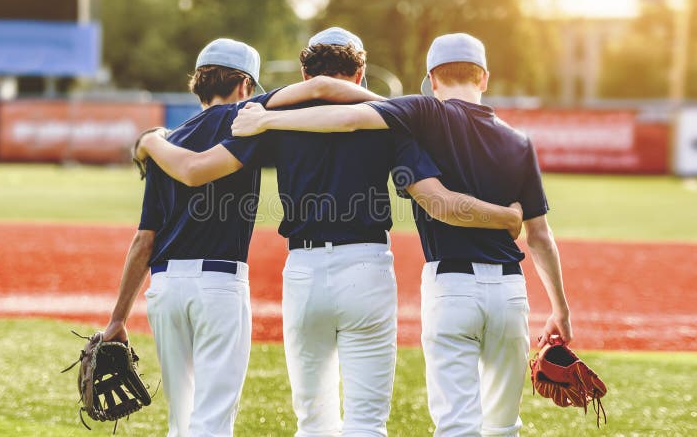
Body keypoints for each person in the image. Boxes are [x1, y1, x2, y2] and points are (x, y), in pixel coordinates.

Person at [134, 28, 523, 437]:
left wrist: (150, 142)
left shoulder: (274, 123)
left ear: (304, 76)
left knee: (314, 424)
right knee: (367, 422)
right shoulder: (390, 120)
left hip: (303, 271)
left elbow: (199, 169)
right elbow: (430, 194)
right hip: (367, 268)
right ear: (361, 75)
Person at [230, 33, 573, 437]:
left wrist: (266, 116)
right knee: (493, 427)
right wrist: (558, 306)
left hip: (342, 273)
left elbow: (434, 199)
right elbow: (539, 235)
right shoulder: (508, 139)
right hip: (484, 287)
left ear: (431, 77)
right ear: (483, 78)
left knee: (319, 423)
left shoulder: (422, 114)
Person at [103, 37, 390, 437]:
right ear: (244, 86)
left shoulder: (166, 144)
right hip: (219, 284)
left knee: (180, 423)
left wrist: (117, 318)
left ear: (197, 83)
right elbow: (322, 88)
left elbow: (143, 241)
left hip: (164, 289)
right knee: (213, 422)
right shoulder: (246, 113)